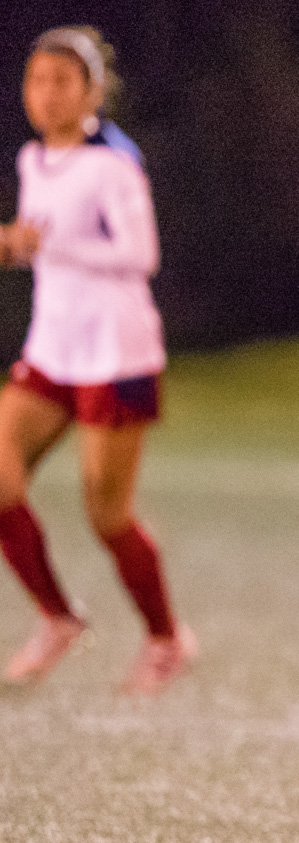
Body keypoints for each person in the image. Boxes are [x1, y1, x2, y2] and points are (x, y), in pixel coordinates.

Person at [0, 26, 195, 695]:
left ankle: (167, 640)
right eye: (36, 80)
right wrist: (17, 247)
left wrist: (45, 246)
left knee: (107, 515)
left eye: (62, 81)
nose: (46, 94)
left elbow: (140, 257)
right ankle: (58, 618)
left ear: (92, 91)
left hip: (118, 353)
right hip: (54, 349)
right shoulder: (32, 159)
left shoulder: (114, 162)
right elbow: (45, 249)